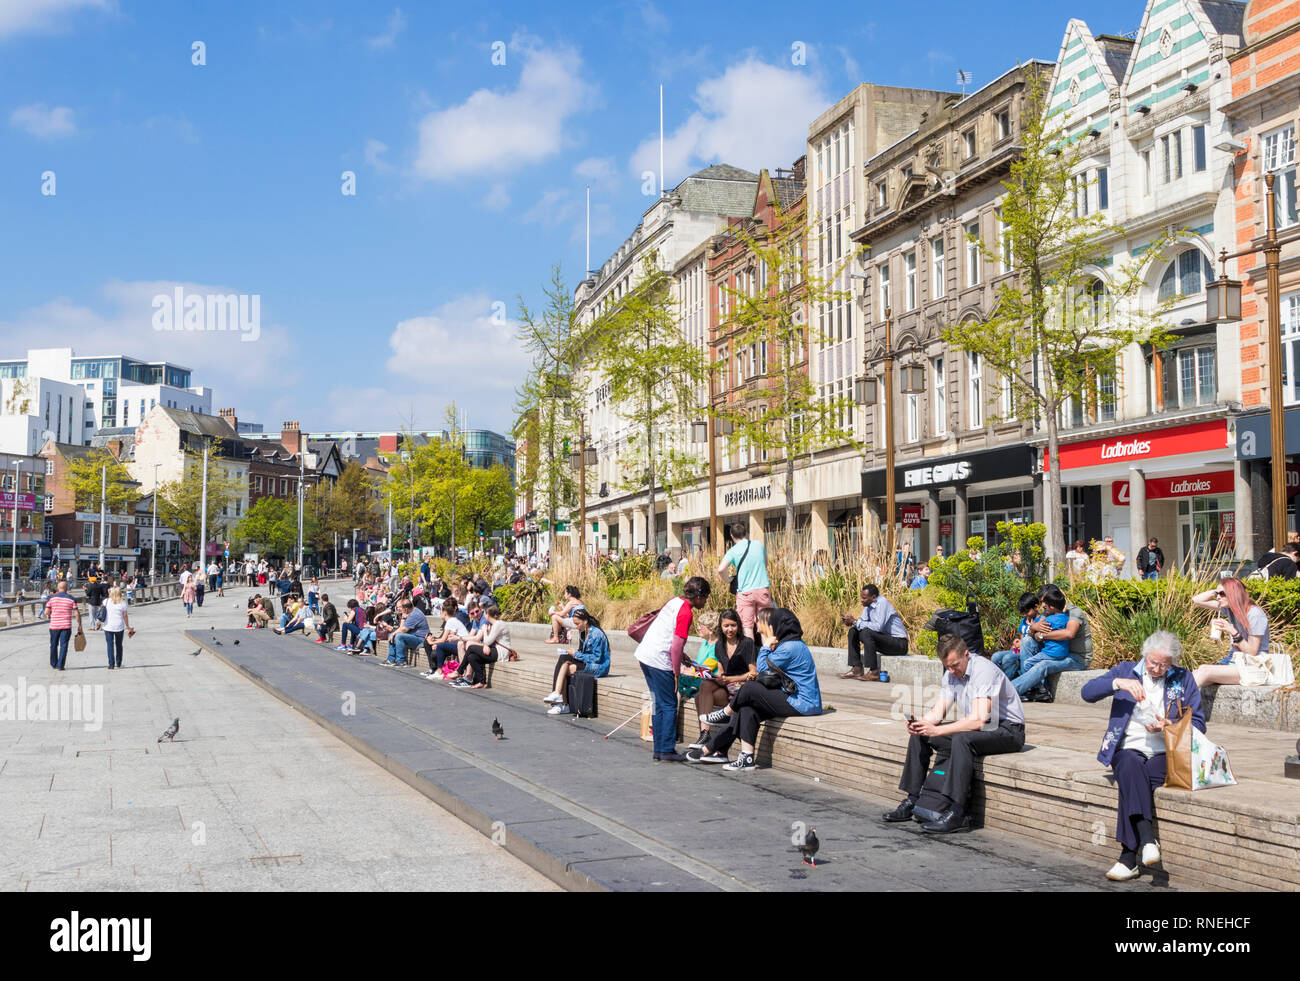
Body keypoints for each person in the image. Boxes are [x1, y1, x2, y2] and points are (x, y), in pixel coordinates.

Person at [1081, 630, 1204, 881]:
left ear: (1173, 662)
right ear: (1144, 655)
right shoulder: (1126, 671)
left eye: (1164, 664)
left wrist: (1169, 724)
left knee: (1136, 778)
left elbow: (1199, 724)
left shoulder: (1183, 678)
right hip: (1128, 746)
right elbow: (1087, 692)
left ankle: (1128, 857)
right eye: (1153, 662)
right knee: (1128, 764)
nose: (1157, 669)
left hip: (1166, 752)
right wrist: (1118, 683)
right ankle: (1147, 841)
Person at [881, 632, 1026, 833]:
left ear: (966, 654)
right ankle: (913, 800)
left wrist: (938, 729)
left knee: (962, 739)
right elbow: (938, 713)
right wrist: (921, 724)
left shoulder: (983, 671)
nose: (952, 670)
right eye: (947, 666)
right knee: (921, 735)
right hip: (984, 726)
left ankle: (958, 812)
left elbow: (978, 719)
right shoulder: (950, 674)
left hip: (1009, 729)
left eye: (955, 665)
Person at [689, 607, 823, 770]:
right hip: (795, 698)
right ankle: (745, 756)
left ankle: (724, 717)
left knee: (750, 688)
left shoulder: (790, 647)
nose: (757, 623)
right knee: (747, 709)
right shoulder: (788, 644)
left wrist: (765, 645)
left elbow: (760, 667)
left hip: (803, 702)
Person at [634, 576, 712, 763]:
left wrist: (680, 656)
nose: (706, 601)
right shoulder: (686, 612)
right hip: (660, 660)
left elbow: (667, 633)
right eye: (706, 597)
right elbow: (676, 646)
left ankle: (659, 749)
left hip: (646, 655)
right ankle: (667, 750)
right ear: (699, 597)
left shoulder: (674, 602)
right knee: (669, 704)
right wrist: (676, 673)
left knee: (659, 703)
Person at [687, 610, 757, 745]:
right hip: (726, 686)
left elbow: (753, 673)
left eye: (733, 625)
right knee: (704, 686)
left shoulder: (747, 643)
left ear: (738, 626)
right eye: (726, 626)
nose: (730, 629)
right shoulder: (719, 645)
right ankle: (705, 733)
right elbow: (720, 672)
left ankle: (705, 734)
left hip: (741, 689)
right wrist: (716, 678)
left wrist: (730, 679)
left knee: (699, 695)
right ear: (721, 627)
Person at [1015, 583, 1093, 702]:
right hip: (1057, 652)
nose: (1043, 605)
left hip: (1077, 658)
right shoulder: (1048, 612)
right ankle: (1037, 690)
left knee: (1043, 665)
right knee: (1026, 641)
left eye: (1044, 601)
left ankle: (1007, 691)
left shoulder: (1073, 612)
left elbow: (1069, 633)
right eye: (1042, 602)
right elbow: (1032, 633)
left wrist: (1042, 635)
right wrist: (1034, 628)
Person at [1192, 577, 1270, 689]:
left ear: (1233, 594)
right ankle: (1178, 704)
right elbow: (1196, 600)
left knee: (1204, 670)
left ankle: (1177, 704)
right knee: (1197, 672)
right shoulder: (1230, 609)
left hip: (1253, 666)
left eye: (1222, 594)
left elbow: (1252, 651)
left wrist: (1232, 631)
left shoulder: (1255, 614)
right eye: (1218, 594)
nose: (1218, 597)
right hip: (1234, 661)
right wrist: (1217, 591)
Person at [545, 609, 611, 710]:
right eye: (574, 624)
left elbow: (596, 658)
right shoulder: (584, 631)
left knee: (565, 661)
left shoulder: (596, 634)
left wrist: (575, 654)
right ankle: (559, 697)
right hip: (588, 662)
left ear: (585, 621)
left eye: (577, 624)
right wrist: (573, 653)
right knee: (565, 662)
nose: (576, 626)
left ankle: (560, 701)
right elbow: (585, 654)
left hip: (599, 667)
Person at [840, 584, 909, 681]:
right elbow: (862, 623)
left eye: (864, 598)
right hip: (884, 640)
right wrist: (852, 623)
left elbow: (878, 627)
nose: (861, 600)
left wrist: (856, 622)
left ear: (873, 597)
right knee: (853, 631)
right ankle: (856, 668)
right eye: (861, 597)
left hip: (899, 644)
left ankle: (874, 671)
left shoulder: (882, 603)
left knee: (866, 633)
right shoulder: (868, 605)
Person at [715, 521, 771, 639]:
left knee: (747, 627)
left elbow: (720, 569)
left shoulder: (733, 551)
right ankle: (767, 654)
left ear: (731, 536)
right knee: (764, 624)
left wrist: (728, 579)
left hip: (745, 592)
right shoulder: (758, 545)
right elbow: (766, 564)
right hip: (762, 589)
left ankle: (750, 655)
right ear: (745, 533)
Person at [451, 604, 513, 689]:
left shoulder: (498, 624)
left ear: (487, 614)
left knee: (471, 647)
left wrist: (484, 631)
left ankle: (459, 671)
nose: (478, 614)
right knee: (472, 657)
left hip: (500, 652)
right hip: (495, 650)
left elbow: (487, 641)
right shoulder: (494, 624)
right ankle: (481, 682)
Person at [991, 592, 1039, 679]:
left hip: (1030, 653)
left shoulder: (1040, 620)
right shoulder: (1025, 620)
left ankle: (1009, 683)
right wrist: (1018, 642)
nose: (1025, 615)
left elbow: (1037, 640)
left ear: (1036, 607)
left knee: (1008, 658)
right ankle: (998, 679)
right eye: (1023, 612)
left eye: (1027, 611)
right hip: (1019, 651)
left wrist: (1024, 642)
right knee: (995, 656)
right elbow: (1022, 635)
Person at [43, 580, 82, 671]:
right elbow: (76, 613)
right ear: (67, 588)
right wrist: (79, 625)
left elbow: (47, 612)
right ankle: (60, 665)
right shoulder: (71, 599)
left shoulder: (51, 598)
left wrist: (54, 612)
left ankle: (53, 663)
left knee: (53, 644)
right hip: (66, 626)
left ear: (57, 588)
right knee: (64, 646)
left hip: (54, 626)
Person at [385, 599, 426, 666]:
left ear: (406, 609)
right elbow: (401, 629)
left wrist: (394, 634)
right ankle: (391, 659)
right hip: (412, 636)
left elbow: (403, 630)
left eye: (401, 608)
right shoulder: (410, 613)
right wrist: (403, 618)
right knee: (391, 635)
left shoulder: (414, 614)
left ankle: (401, 661)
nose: (399, 610)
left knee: (398, 636)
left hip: (420, 639)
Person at [103, 585, 132, 669]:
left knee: (110, 645)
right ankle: (118, 663)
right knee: (119, 645)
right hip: (119, 626)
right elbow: (125, 616)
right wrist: (128, 626)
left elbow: (102, 610)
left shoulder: (106, 601)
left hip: (108, 626)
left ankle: (111, 664)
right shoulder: (123, 603)